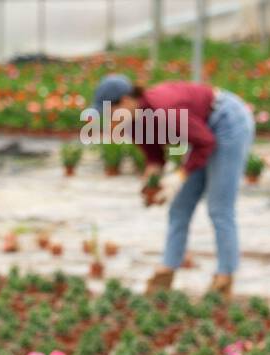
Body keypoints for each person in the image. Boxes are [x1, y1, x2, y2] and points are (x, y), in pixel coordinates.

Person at [91, 73, 256, 297]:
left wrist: (179, 176)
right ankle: (167, 270)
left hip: (227, 121)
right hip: (202, 133)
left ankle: (225, 276)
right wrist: (152, 182)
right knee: (179, 207)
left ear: (127, 101)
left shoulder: (164, 109)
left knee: (219, 208)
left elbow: (206, 143)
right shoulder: (131, 122)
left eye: (111, 112)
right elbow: (155, 157)